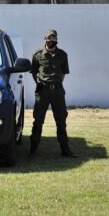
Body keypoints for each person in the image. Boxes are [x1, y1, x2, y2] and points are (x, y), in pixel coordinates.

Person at [30, 29, 76, 157]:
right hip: (42, 91)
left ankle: (65, 149)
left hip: (57, 92)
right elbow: (34, 72)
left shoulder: (62, 55)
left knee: (61, 120)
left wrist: (55, 83)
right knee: (38, 120)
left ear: (56, 39)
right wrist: (39, 82)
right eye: (48, 38)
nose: (51, 41)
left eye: (53, 38)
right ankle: (33, 149)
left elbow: (63, 73)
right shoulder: (37, 55)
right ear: (44, 39)